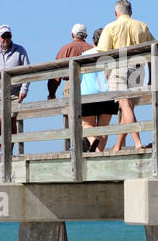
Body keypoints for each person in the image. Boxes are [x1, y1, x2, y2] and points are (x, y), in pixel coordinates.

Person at [95, 0, 155, 151]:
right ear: (131, 12)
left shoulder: (110, 27)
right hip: (139, 70)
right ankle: (118, 146)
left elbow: (104, 55)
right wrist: (152, 76)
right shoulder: (142, 26)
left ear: (116, 13)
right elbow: (153, 51)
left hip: (119, 68)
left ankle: (137, 143)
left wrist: (107, 74)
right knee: (128, 109)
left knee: (125, 106)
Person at [47, 23, 113, 151]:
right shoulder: (105, 52)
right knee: (103, 127)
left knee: (78, 122)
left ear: (72, 35)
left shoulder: (67, 49)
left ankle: (77, 147)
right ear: (86, 36)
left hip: (78, 86)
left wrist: (52, 93)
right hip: (107, 90)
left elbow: (56, 76)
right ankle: (98, 152)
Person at [0, 25, 30, 159]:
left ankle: (9, 151)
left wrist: (24, 90)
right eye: (3, 36)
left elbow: (27, 70)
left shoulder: (20, 50)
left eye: (8, 36)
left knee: (12, 121)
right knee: (0, 120)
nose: (6, 39)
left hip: (14, 92)